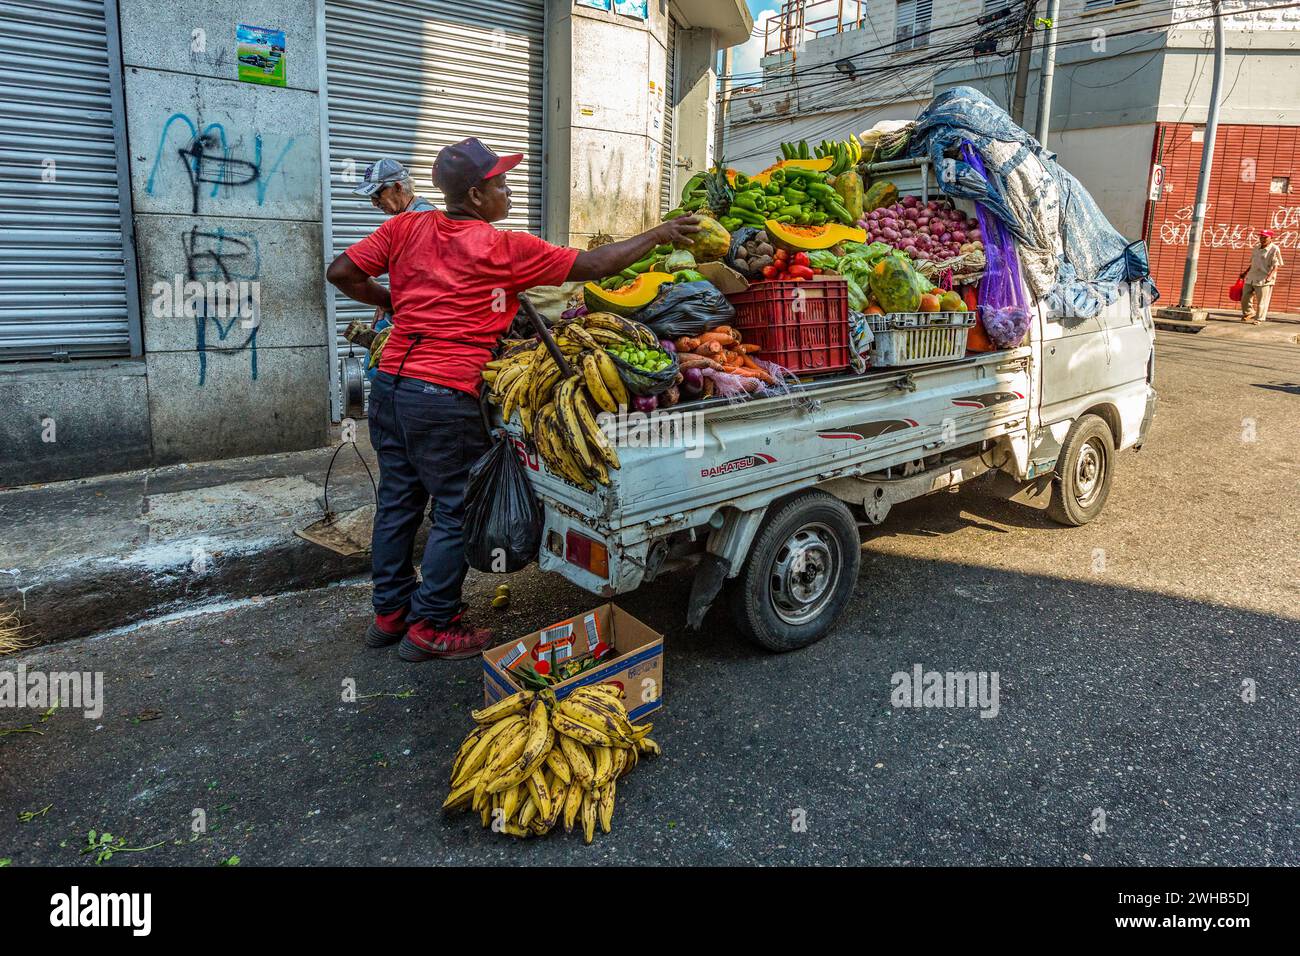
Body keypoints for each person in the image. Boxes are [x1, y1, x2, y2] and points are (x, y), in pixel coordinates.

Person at [325, 137, 699, 663]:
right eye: (500, 182)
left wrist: (395, 302)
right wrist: (659, 233)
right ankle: (433, 623)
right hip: (443, 394)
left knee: (399, 500)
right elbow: (593, 265)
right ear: (476, 195)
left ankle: (389, 615)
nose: (508, 189)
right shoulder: (499, 248)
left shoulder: (404, 226)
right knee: (455, 508)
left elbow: (340, 272)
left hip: (389, 386)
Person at [352, 158, 437, 215]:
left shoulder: (421, 216)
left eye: (376, 194)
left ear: (397, 187)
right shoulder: (409, 213)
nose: (374, 203)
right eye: (371, 196)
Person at [1240, 228, 1284, 324]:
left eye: (1265, 237)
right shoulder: (1256, 247)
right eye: (1261, 237)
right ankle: (1249, 312)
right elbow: (1253, 263)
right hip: (1251, 277)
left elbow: (1276, 266)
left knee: (1262, 301)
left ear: (1271, 238)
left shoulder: (1274, 249)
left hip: (1264, 278)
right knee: (1245, 297)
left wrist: (1270, 277)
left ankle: (1259, 319)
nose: (1262, 239)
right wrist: (1245, 272)